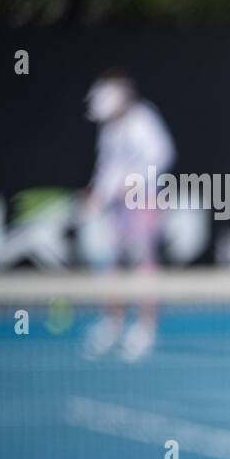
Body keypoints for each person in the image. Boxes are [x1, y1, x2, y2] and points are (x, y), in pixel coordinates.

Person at [80, 69, 176, 362]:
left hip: (144, 201)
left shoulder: (143, 119)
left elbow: (162, 155)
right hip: (119, 208)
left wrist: (131, 184)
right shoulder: (109, 129)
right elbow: (107, 168)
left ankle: (146, 328)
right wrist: (97, 195)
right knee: (112, 263)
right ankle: (114, 322)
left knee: (143, 264)